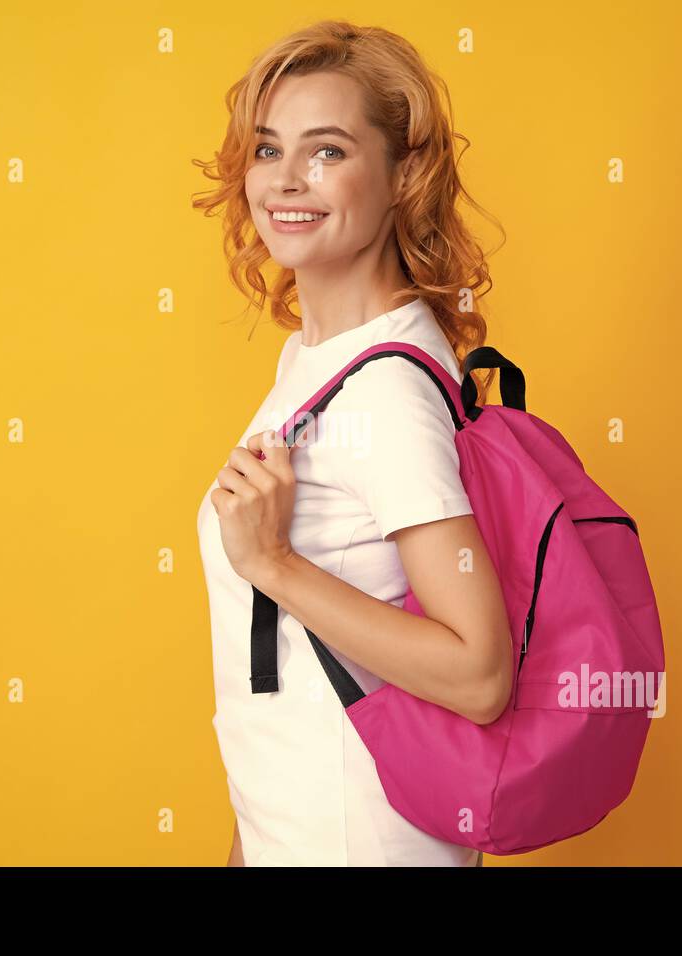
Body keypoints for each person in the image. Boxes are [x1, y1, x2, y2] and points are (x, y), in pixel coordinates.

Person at [193, 20, 509, 867]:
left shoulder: (388, 390)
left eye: (327, 151)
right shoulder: (320, 356)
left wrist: (274, 565)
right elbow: (287, 677)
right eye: (267, 149)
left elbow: (481, 676)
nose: (286, 179)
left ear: (405, 174)